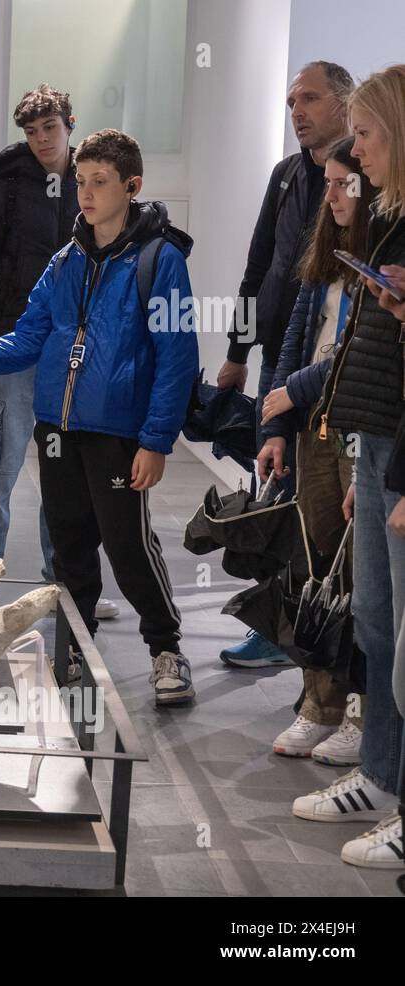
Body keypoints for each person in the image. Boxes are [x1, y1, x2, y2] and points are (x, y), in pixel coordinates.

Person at [0, 129, 199, 705]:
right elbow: (25, 340)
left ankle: (166, 648)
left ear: (131, 187)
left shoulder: (160, 261)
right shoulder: (65, 261)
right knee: (69, 549)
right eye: (81, 182)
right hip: (59, 430)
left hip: (119, 436)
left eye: (99, 183)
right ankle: (76, 646)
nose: (86, 194)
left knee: (129, 546)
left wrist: (157, 440)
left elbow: (177, 359)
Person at [289, 65, 405, 872]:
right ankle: (383, 778)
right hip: (380, 436)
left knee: (403, 639)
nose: (354, 152)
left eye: (363, 135)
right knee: (377, 627)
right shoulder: (389, 220)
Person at [0, 84, 119, 617]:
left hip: (77, 361)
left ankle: (67, 591)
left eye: (50, 128)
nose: (42, 139)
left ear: (70, 123)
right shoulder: (5, 194)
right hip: (11, 354)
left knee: (67, 483)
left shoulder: (94, 187)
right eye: (31, 131)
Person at [217, 60, 353, 670]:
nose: (296, 110)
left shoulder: (357, 186)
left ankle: (309, 630)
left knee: (311, 505)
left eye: (310, 99)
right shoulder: (284, 178)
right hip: (282, 357)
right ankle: (274, 623)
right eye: (291, 100)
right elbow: (256, 270)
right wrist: (236, 355)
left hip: (329, 376)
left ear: (345, 104)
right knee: (275, 492)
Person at [258, 137, 372, 765]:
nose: (331, 195)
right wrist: (277, 425)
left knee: (359, 581)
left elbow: (351, 356)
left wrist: (288, 392)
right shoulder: (326, 255)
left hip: (362, 431)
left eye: (343, 183)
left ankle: (360, 710)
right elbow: (297, 343)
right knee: (314, 572)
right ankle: (318, 705)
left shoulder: (382, 256)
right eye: (327, 183)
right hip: (315, 433)